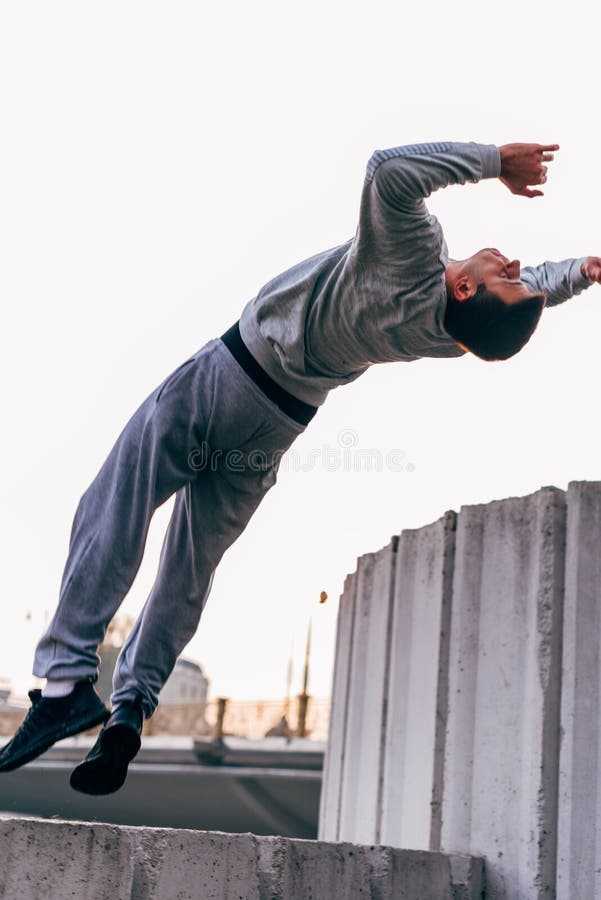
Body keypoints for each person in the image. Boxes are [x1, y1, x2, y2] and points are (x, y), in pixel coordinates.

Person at [1, 139, 599, 795]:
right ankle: (129, 711)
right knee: (190, 565)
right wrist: (576, 272)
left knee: (117, 499)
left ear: (461, 285)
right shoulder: (451, 334)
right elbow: (519, 298)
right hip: (276, 425)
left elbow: (388, 170)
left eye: (504, 273)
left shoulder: (407, 257)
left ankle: (64, 681)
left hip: (226, 380)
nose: (512, 261)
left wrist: (493, 162)